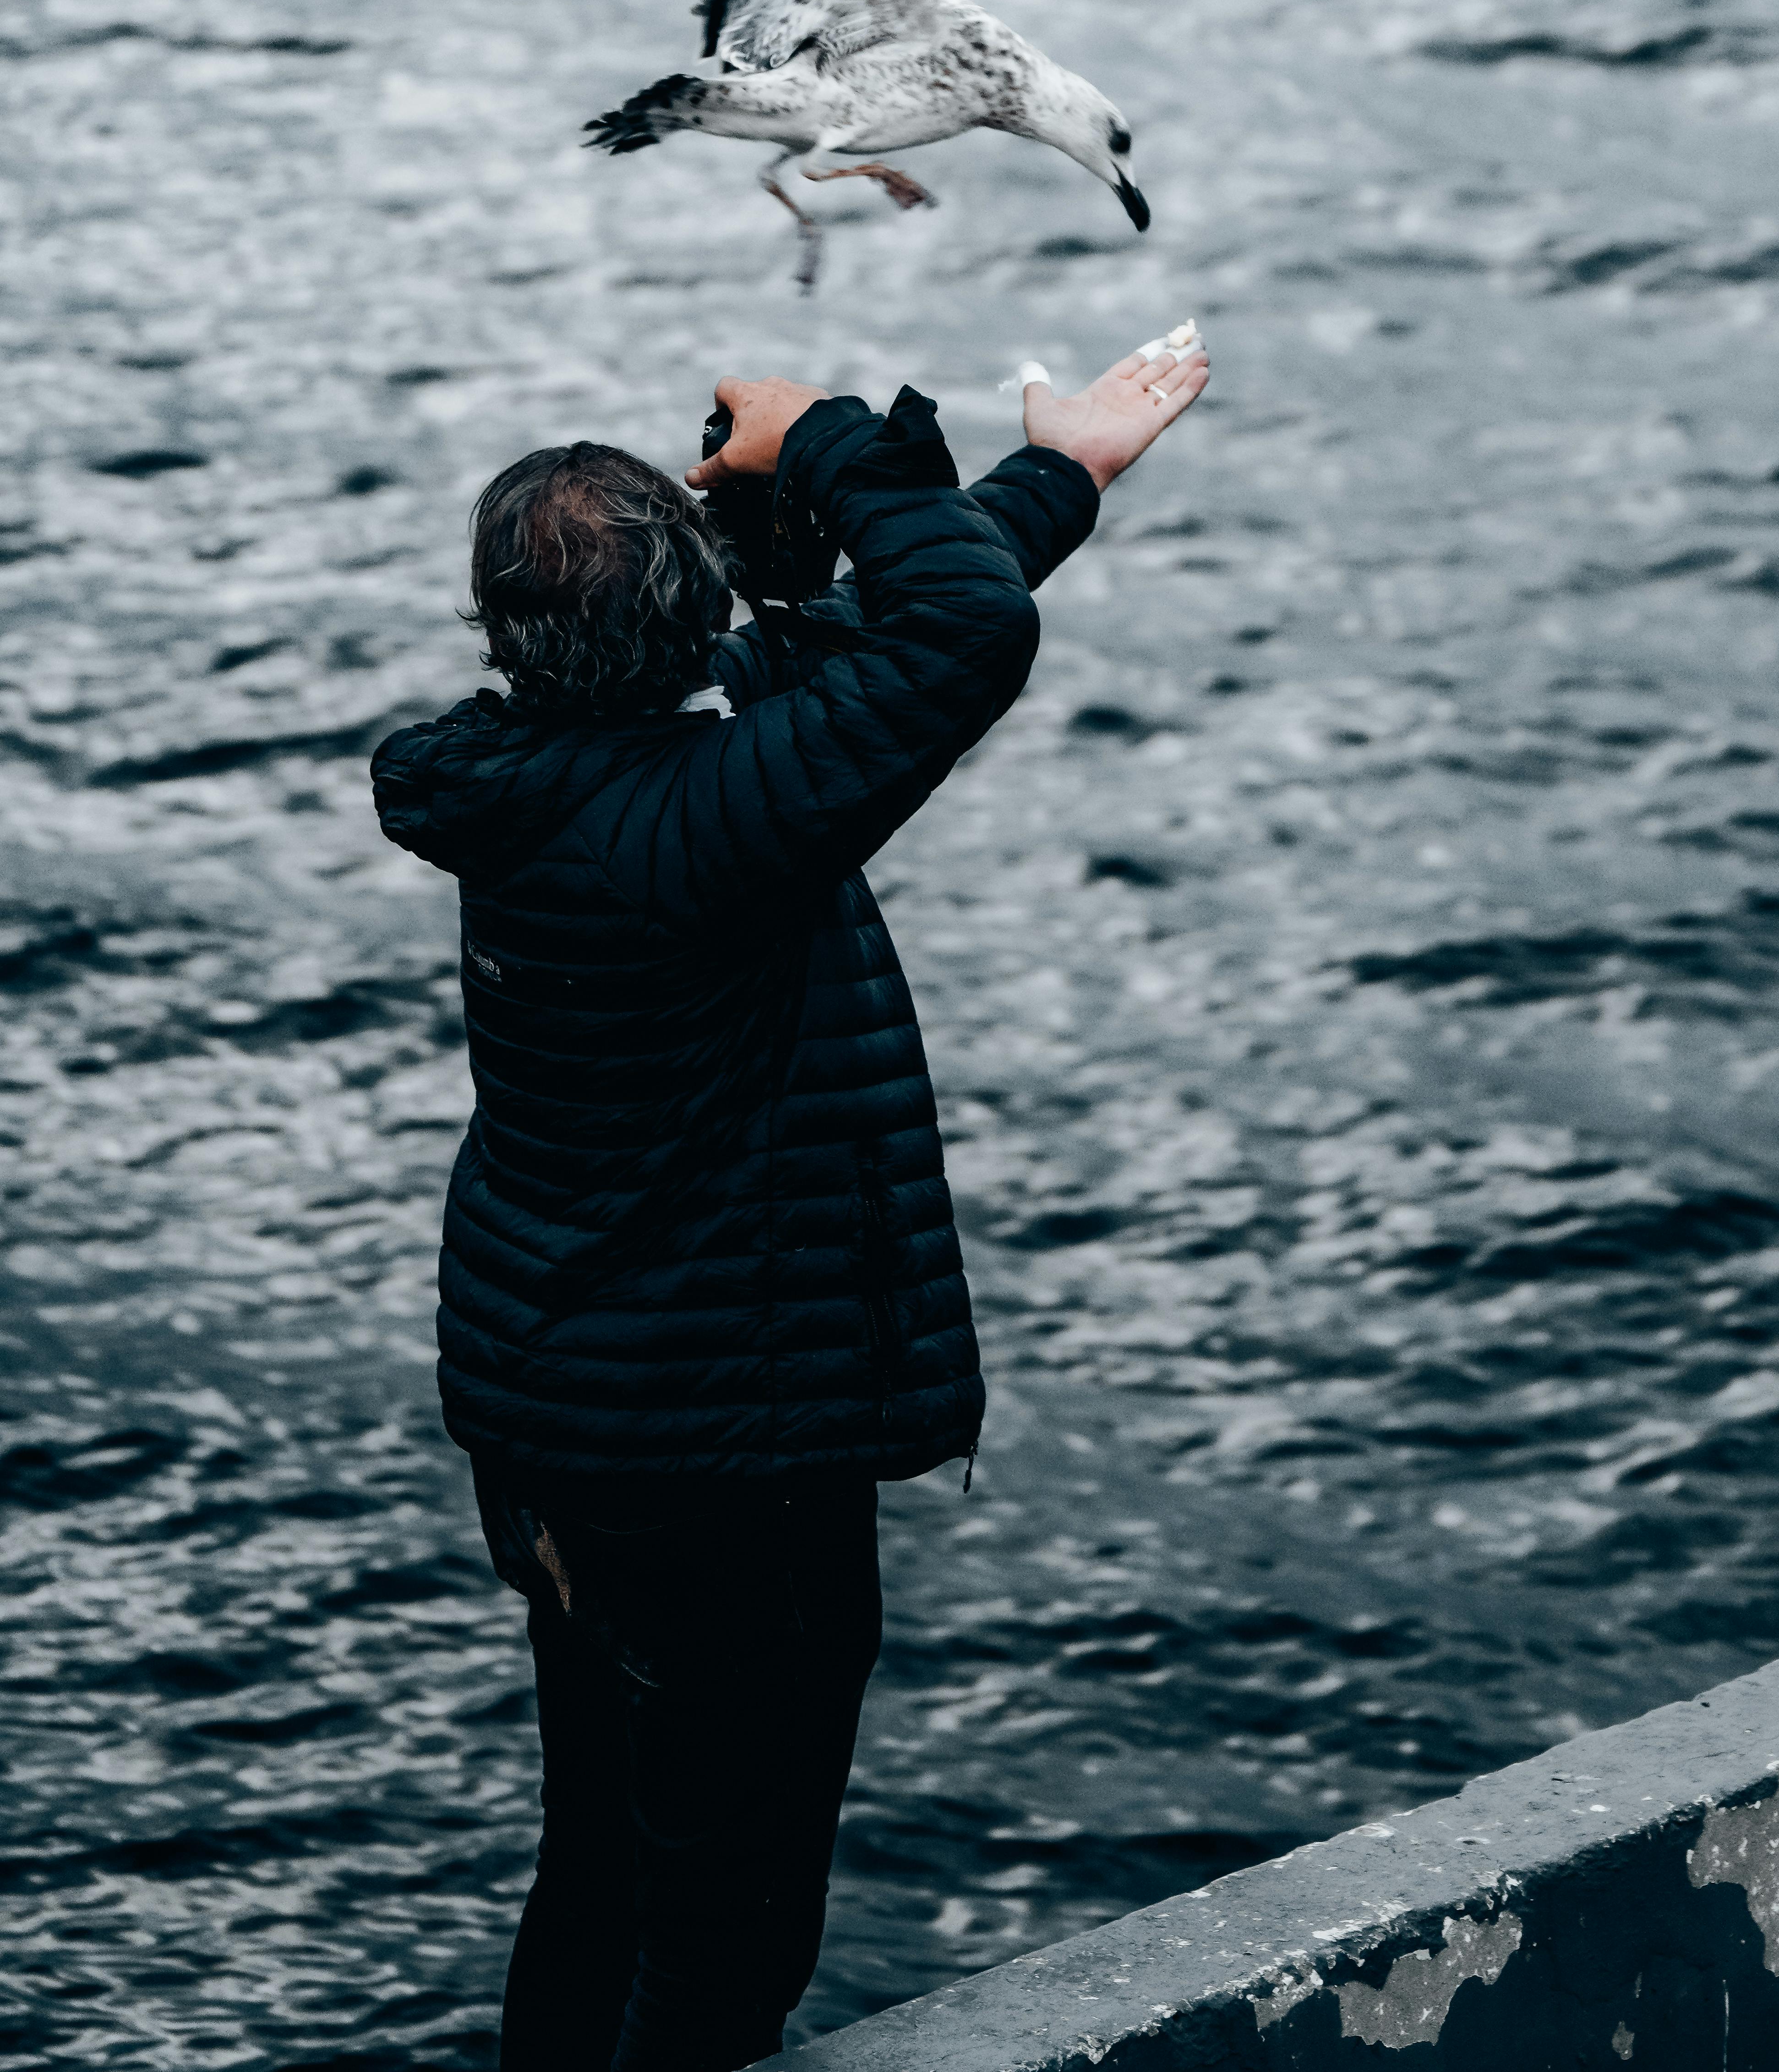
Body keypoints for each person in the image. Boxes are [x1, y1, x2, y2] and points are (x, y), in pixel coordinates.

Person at [370, 336, 1210, 2072]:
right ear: (687, 625)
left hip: (557, 1422)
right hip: (719, 1460)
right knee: (729, 1927)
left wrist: (1067, 471)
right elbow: (950, 642)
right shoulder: (722, 809)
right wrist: (820, 439)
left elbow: (866, 650)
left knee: (601, 1850)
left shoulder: (528, 779)